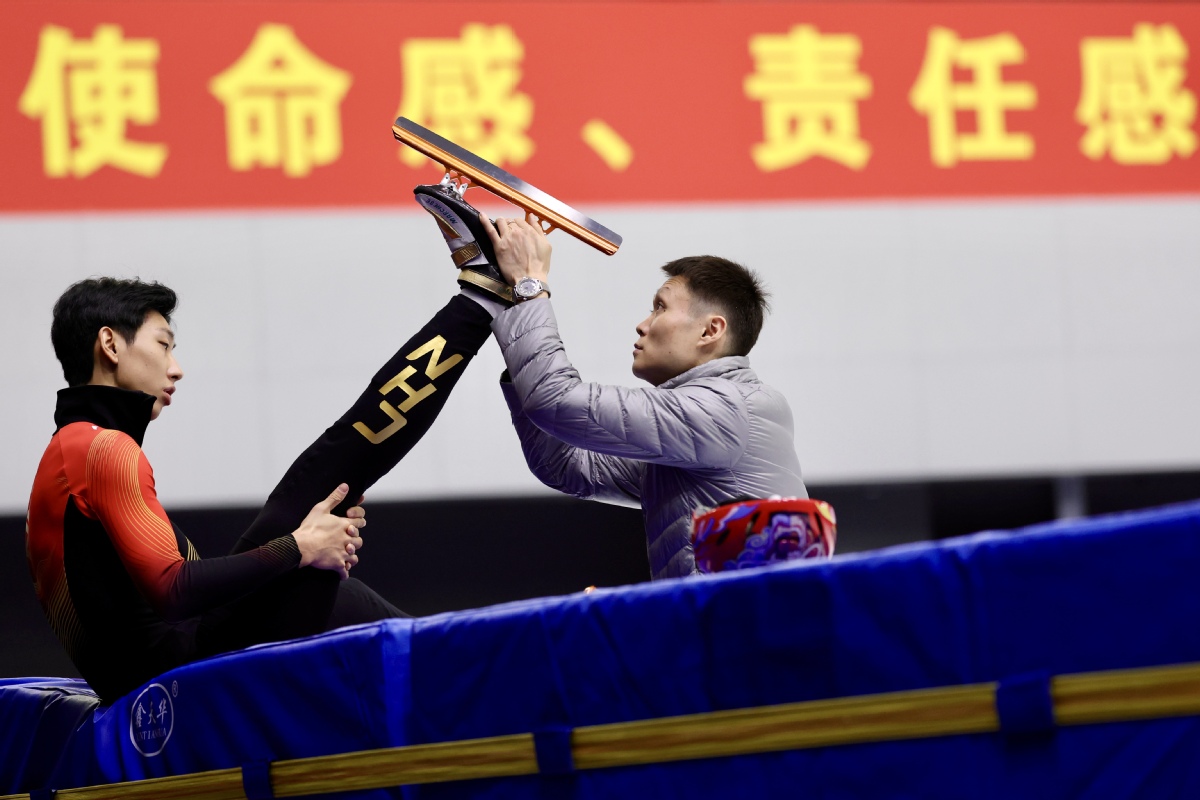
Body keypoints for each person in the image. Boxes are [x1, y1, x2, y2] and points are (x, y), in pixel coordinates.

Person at [27, 215, 496, 702]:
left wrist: (304, 550)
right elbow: (175, 590)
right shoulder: (103, 449)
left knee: (323, 521)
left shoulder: (67, 451)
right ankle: (481, 298)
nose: (176, 368)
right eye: (163, 345)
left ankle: (471, 669)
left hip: (155, 667)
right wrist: (299, 545)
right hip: (170, 676)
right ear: (110, 344)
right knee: (332, 466)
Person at [413, 182, 808, 579]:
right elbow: (567, 464)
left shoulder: (725, 410)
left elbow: (555, 400)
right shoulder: (701, 428)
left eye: (660, 308)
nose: (642, 324)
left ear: (710, 331)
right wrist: (507, 294)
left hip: (743, 638)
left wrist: (531, 285)